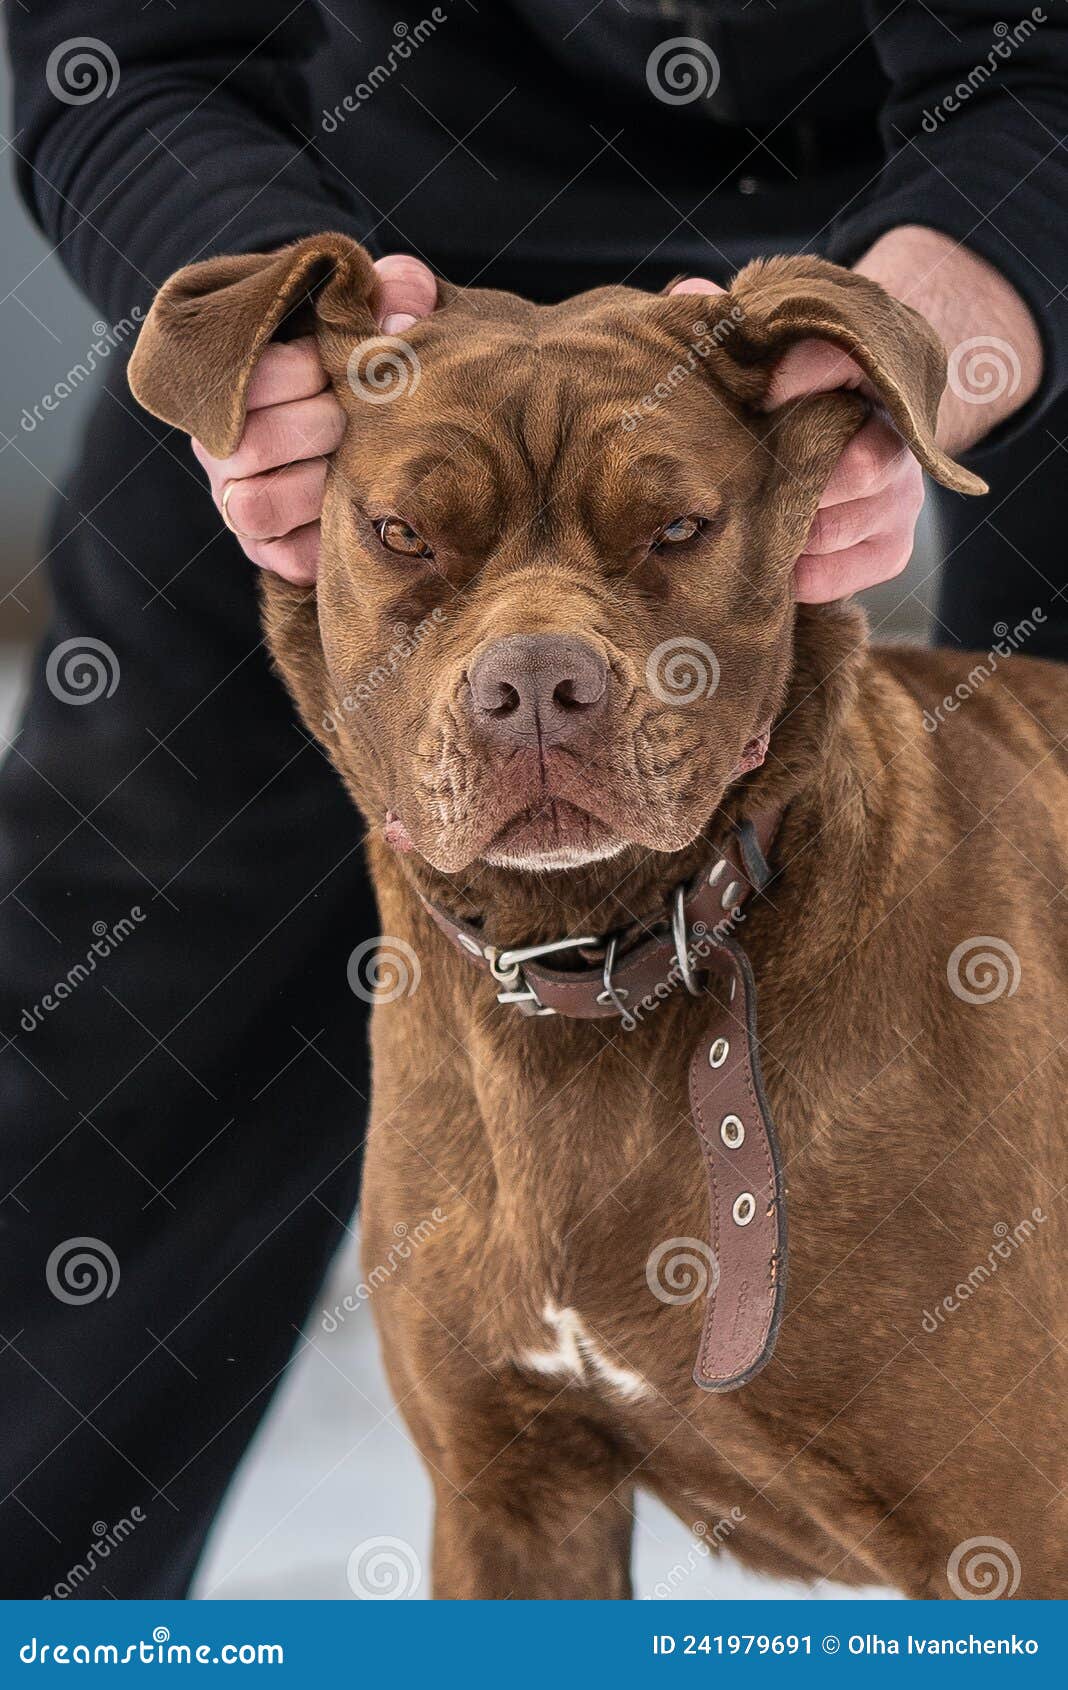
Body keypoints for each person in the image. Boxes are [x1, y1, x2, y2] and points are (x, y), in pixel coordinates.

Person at [1, 1, 1064, 1598]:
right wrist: (271, 345)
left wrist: (920, 334)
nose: (537, 681)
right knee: (117, 976)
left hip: (950, 239)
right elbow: (127, 59)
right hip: (368, 259)